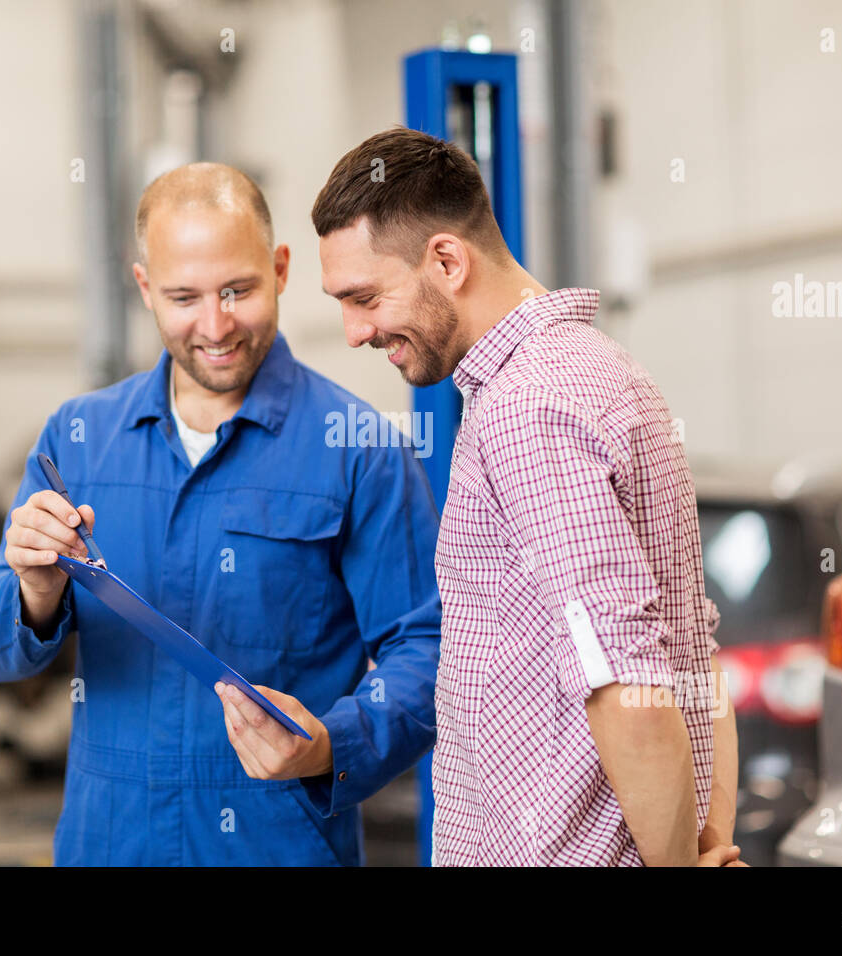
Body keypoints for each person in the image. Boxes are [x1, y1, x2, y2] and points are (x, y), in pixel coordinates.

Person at [0, 162, 441, 866]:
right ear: (144, 288)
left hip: (276, 845)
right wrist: (33, 593)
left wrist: (334, 742)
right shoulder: (79, 438)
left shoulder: (357, 449)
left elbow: (427, 649)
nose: (215, 325)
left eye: (237, 290)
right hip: (109, 843)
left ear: (280, 270)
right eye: (184, 296)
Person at [312, 127, 742, 866]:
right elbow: (692, 650)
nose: (355, 332)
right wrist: (711, 844)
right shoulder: (606, 371)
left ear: (447, 260)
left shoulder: (528, 408)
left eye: (366, 298)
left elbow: (623, 677)